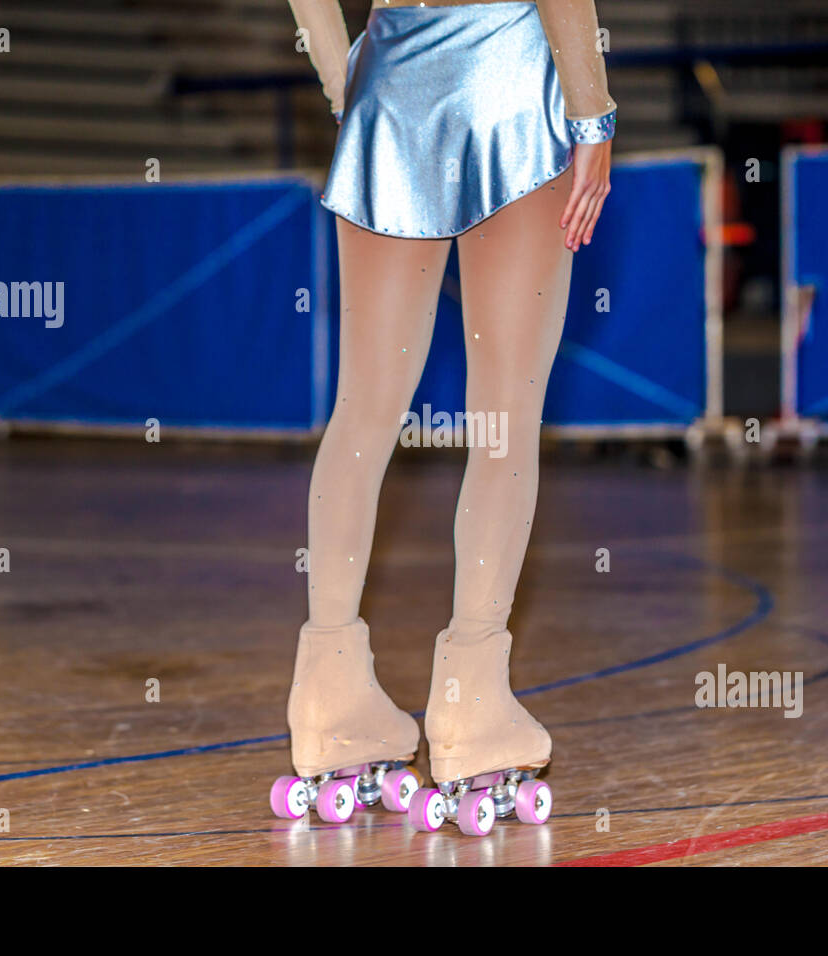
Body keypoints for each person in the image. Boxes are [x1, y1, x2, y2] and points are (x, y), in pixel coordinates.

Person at [269, 0, 616, 836]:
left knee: (361, 414)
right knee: (503, 418)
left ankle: (328, 695)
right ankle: (469, 708)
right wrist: (592, 115)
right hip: (504, 74)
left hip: (389, 77)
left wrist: (342, 76)